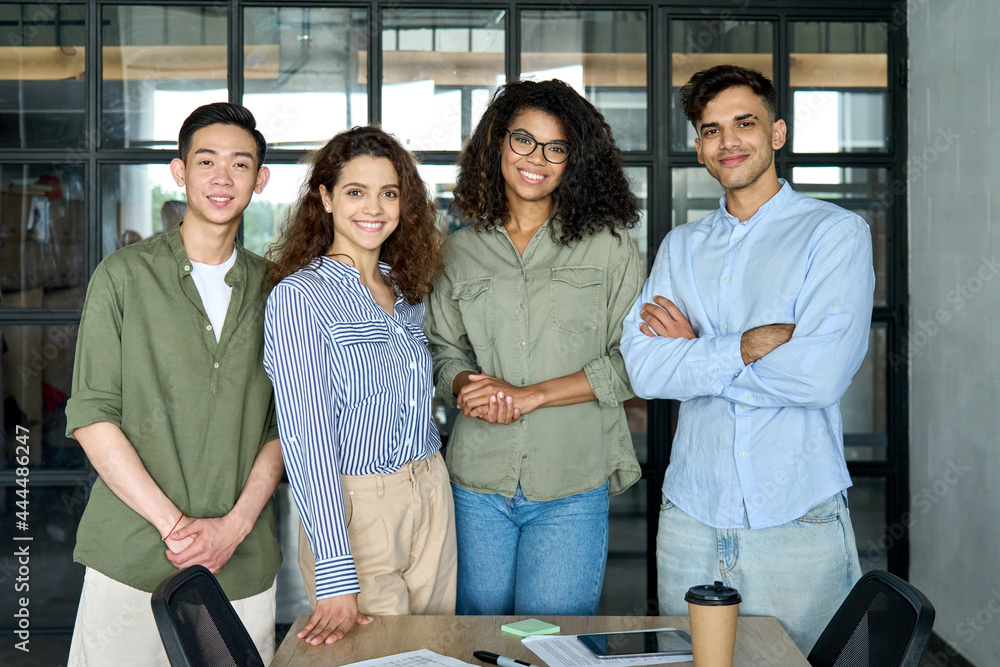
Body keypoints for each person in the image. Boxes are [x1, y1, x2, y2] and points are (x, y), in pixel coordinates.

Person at [620, 65, 873, 654]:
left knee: (801, 664)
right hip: (690, 514)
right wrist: (744, 345)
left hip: (796, 514)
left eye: (744, 123)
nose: (728, 141)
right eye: (711, 130)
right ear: (700, 148)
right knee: (685, 663)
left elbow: (817, 377)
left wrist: (696, 356)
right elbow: (645, 370)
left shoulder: (834, 234)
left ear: (778, 133)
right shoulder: (680, 246)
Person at [65, 102, 283, 665]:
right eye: (206, 160)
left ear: (260, 180)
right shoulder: (123, 276)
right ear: (179, 171)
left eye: (240, 164)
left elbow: (288, 428)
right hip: (132, 557)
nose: (222, 177)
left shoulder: (279, 290)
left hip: (242, 563)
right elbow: (92, 416)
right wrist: (180, 530)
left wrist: (231, 531)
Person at [425, 79, 643, 615]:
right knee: (477, 641)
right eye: (523, 140)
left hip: (571, 481)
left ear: (575, 160)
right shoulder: (458, 252)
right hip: (476, 483)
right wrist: (462, 386)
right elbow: (442, 351)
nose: (537, 159)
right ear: (498, 144)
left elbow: (635, 363)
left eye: (556, 147)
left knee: (552, 644)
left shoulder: (611, 247)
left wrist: (532, 396)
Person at [264, 126, 455, 647]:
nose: (374, 207)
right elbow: (307, 441)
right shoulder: (299, 298)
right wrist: (335, 572)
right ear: (324, 198)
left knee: (436, 651)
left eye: (389, 193)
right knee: (379, 655)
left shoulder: (406, 288)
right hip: (359, 506)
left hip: (432, 488)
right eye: (355, 191)